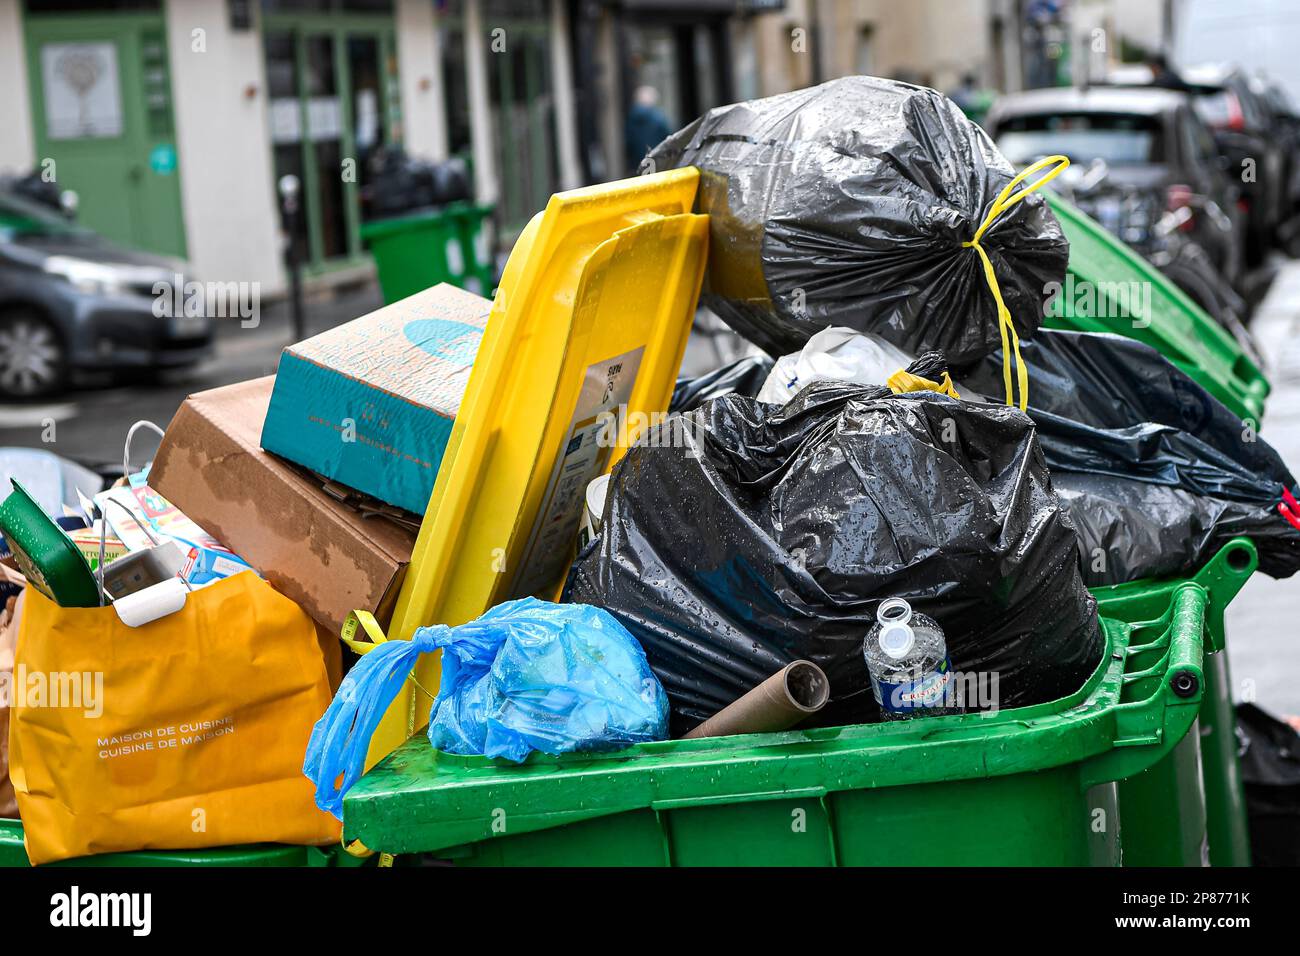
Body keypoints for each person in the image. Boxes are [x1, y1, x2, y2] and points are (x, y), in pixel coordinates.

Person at [625, 86, 672, 175]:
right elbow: (668, 138)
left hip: (638, 164)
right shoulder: (658, 118)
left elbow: (628, 144)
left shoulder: (631, 119)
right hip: (657, 162)